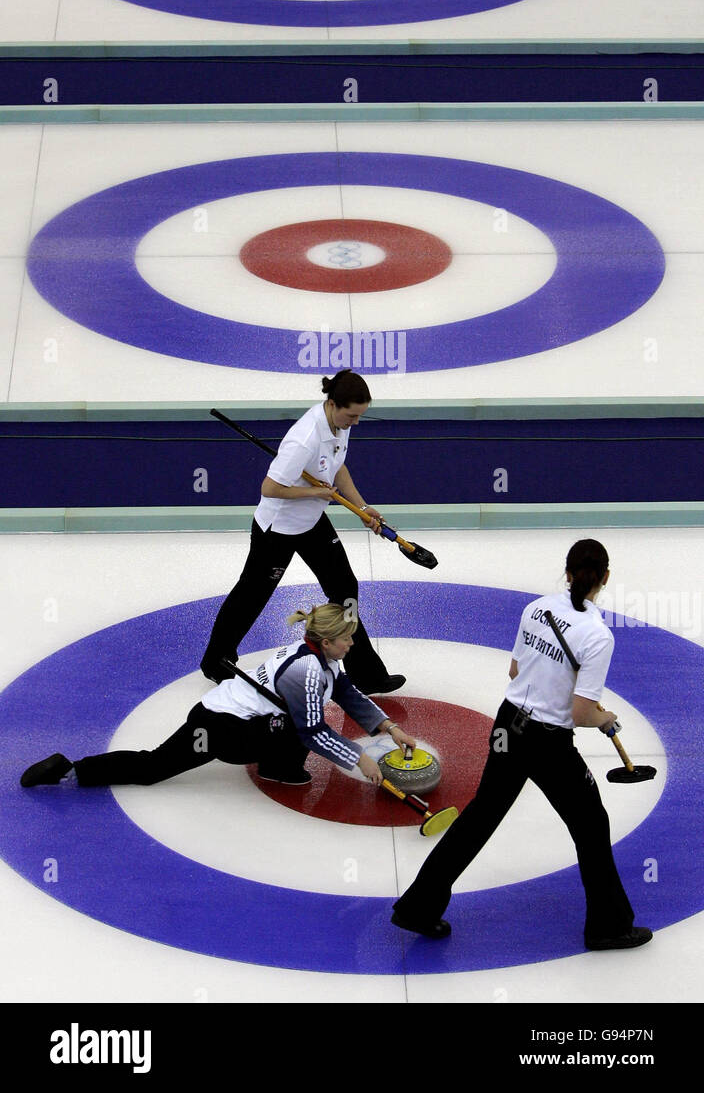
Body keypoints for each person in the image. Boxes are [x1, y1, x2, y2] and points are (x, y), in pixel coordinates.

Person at [391, 539, 653, 951]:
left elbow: (516, 668)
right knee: (591, 825)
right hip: (548, 742)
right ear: (605, 578)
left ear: (566, 573)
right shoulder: (597, 635)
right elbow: (583, 713)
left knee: (481, 815)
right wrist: (605, 717)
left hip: (508, 724)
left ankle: (418, 906)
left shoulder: (537, 609)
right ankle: (607, 925)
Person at [20, 603, 415, 792]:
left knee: (289, 722)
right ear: (328, 641)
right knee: (153, 768)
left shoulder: (320, 655)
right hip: (220, 729)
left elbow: (345, 691)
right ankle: (70, 770)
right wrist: (358, 757)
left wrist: (388, 727)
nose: (352, 643)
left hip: (227, 717)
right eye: (348, 638)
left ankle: (276, 765)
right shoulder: (305, 670)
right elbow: (313, 731)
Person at [200, 370, 405, 694]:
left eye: (360, 416)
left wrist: (362, 508)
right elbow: (269, 488)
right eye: (352, 415)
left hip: (311, 523)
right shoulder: (304, 438)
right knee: (252, 595)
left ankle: (367, 675)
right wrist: (313, 493)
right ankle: (215, 660)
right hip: (278, 530)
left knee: (344, 588)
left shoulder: (339, 425)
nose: (355, 422)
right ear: (334, 404)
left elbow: (338, 465)